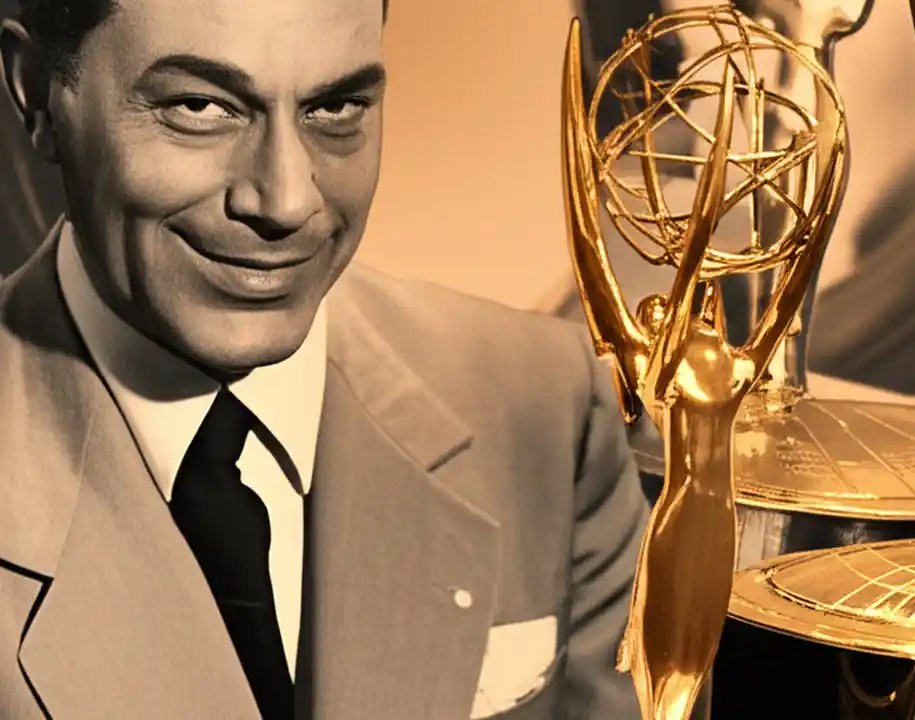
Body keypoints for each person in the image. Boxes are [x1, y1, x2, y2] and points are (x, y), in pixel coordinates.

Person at [0, 0, 647, 717]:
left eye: (335, 107)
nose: (285, 199)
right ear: (35, 93)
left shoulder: (545, 402)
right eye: (200, 106)